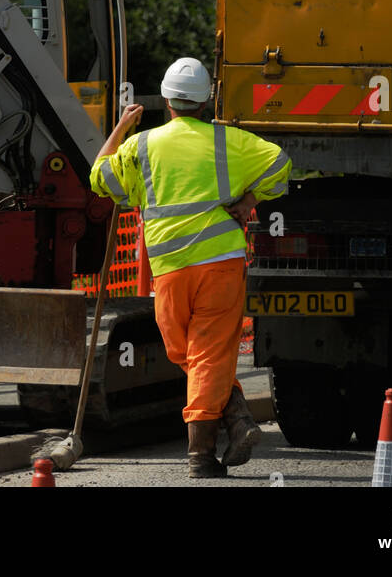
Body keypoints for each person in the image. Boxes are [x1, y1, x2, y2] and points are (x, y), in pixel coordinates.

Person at [90, 56, 290, 479]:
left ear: (165, 98)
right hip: (219, 264)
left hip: (169, 267)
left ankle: (200, 454)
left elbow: (101, 179)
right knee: (203, 356)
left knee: (191, 353)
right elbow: (279, 164)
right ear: (207, 102)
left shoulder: (142, 145)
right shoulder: (227, 140)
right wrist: (249, 201)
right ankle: (235, 414)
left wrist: (121, 127)